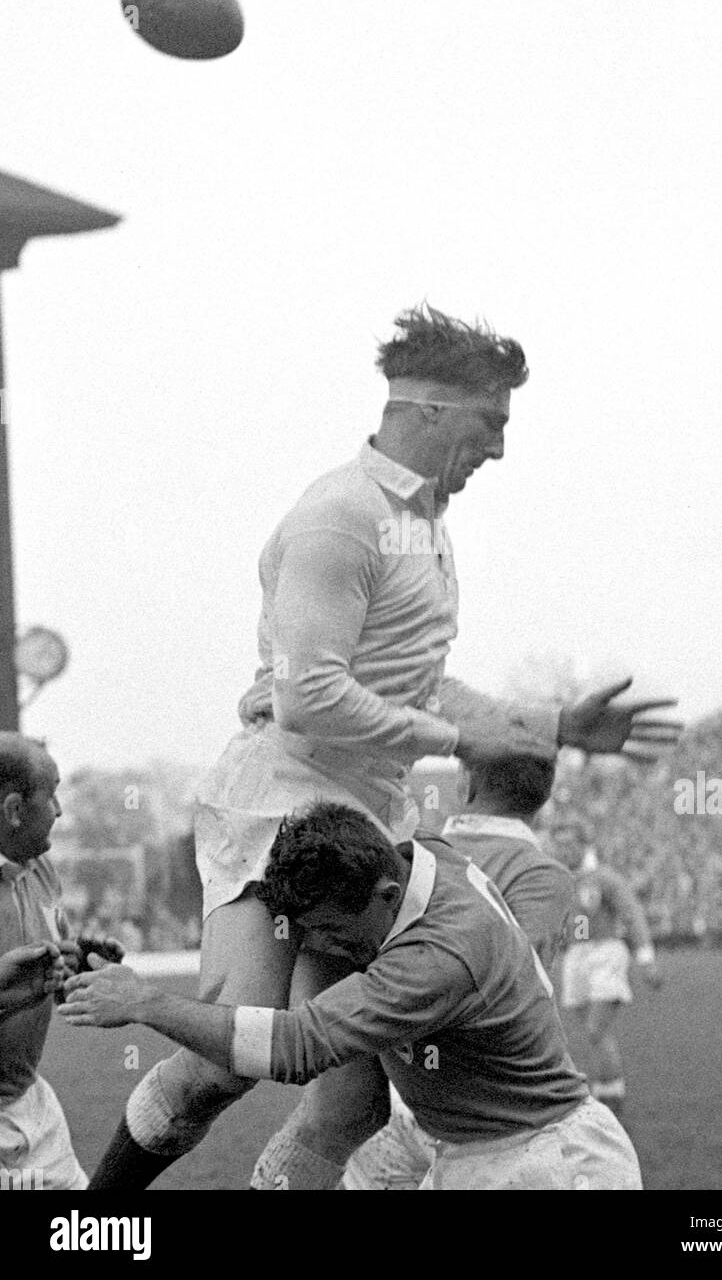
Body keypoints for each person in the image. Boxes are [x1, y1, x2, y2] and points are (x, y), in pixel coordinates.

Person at [88, 304, 679, 1191]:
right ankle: (88, 1222)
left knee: (350, 1105)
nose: (501, 450)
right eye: (493, 423)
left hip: (366, 806)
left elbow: (421, 684)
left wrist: (553, 727)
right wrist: (454, 739)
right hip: (281, 799)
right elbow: (307, 696)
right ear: (432, 411)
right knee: (231, 1051)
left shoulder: (426, 527)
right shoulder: (341, 517)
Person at [61, 803, 643, 1190]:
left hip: (544, 1165)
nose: (327, 951)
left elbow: (299, 1047)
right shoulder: (423, 854)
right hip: (481, 1149)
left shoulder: (434, 961)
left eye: (336, 935)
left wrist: (147, 1003)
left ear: (389, 894)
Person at [343, 750, 575, 1189]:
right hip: (483, 1116)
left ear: (466, 784)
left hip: (387, 1095)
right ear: (542, 800)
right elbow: (519, 990)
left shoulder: (405, 854)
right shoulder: (543, 876)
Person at [0, 735, 88, 1188]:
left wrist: (84, 962)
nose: (59, 809)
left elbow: (56, 969)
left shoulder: (40, 869)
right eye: (50, 793)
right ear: (14, 811)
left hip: (32, 1102)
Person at [548, 815, 662, 1119]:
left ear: (584, 845)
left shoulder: (604, 878)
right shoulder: (557, 879)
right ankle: (607, 1092)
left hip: (605, 952)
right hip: (575, 958)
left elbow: (632, 913)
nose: (563, 851)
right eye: (558, 845)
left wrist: (646, 959)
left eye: (569, 845)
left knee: (596, 1028)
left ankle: (610, 1094)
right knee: (590, 1032)